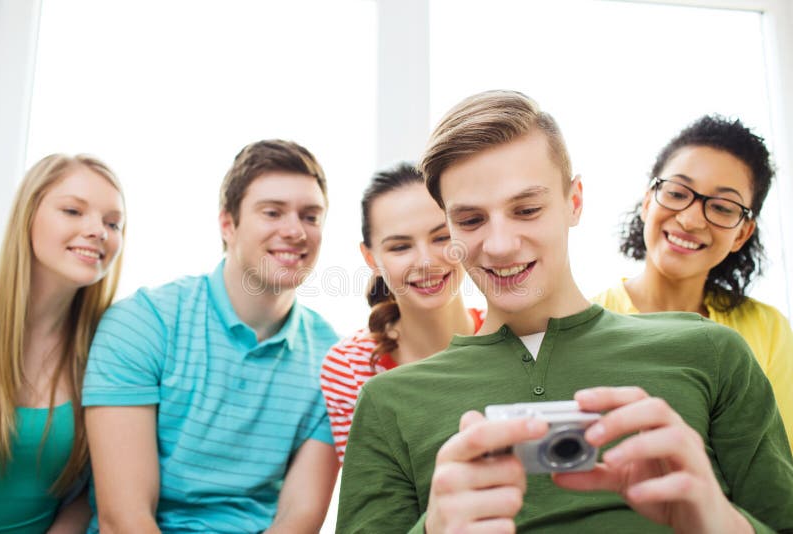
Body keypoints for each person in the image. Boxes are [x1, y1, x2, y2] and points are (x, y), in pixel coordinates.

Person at [337, 91, 793, 533]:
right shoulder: (386, 403)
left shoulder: (711, 351)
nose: (499, 245)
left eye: (527, 209)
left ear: (574, 201)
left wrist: (723, 523)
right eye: (471, 220)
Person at [82, 140, 340, 533]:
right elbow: (125, 520)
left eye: (311, 216)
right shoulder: (142, 323)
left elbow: (297, 520)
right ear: (228, 224)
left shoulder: (331, 358)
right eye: (272, 212)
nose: (294, 231)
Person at [591, 115, 793, 445]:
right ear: (647, 201)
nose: (690, 219)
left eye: (723, 207)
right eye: (676, 192)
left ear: (742, 233)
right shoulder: (585, 319)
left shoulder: (769, 330)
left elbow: (782, 469)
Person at [0, 154, 125, 533]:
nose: (98, 231)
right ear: (28, 213)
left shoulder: (111, 345)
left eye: (112, 223)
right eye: (72, 211)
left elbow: (90, 492)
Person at [320, 163, 484, 463]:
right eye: (399, 247)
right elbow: (375, 497)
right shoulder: (350, 366)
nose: (425, 261)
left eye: (441, 237)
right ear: (371, 258)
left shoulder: (517, 335)